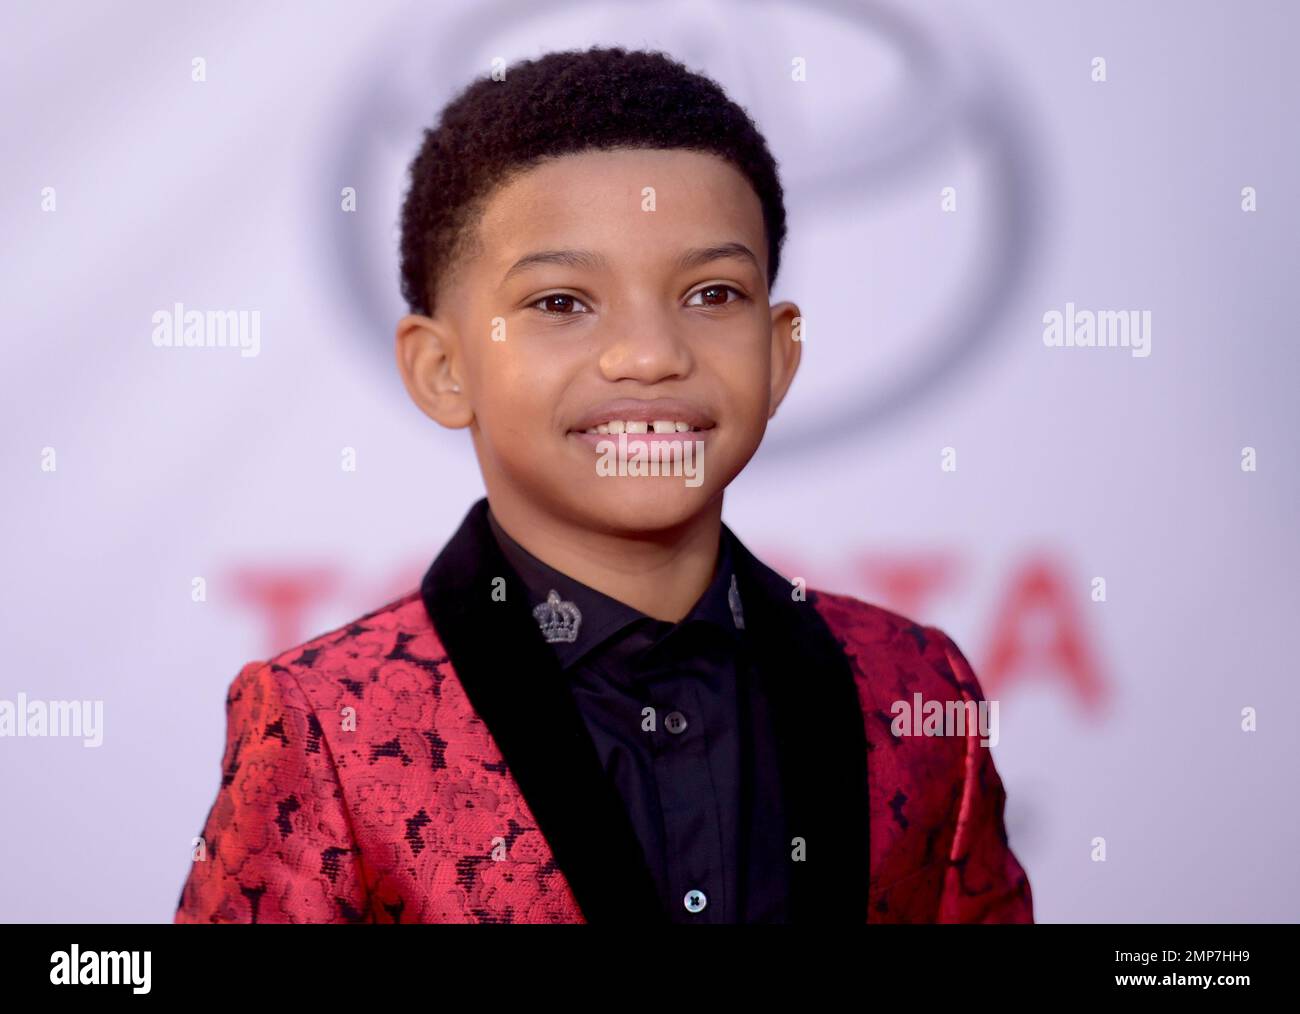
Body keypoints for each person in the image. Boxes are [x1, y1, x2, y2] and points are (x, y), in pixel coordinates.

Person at [174, 45, 1032, 924]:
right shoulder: (326, 720)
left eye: (711, 293)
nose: (652, 355)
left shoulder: (913, 688)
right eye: (561, 304)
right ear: (441, 368)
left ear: (780, 356)